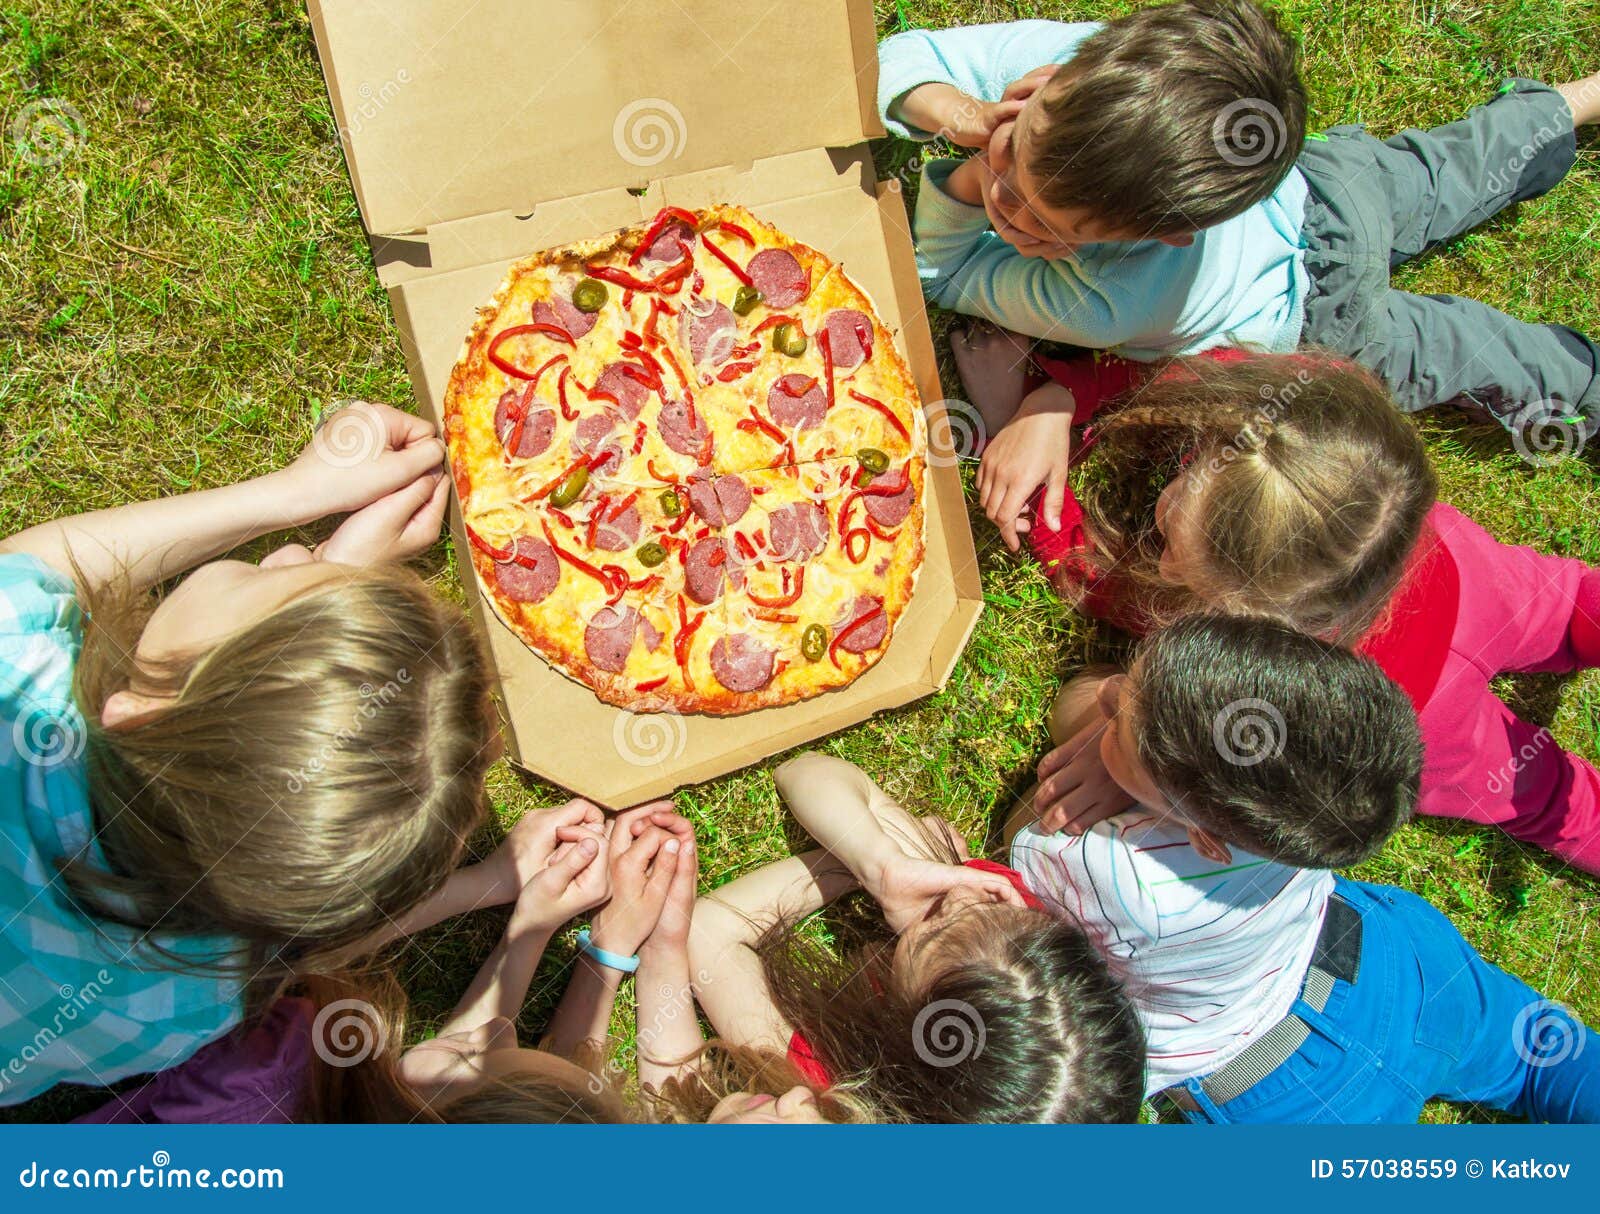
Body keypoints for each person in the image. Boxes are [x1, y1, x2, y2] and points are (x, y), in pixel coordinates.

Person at [0, 401, 527, 1106]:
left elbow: (33, 566)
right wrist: (332, 573)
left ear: (138, 718)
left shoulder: (16, 692)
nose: (283, 553)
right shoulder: (204, 1002)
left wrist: (287, 496)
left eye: (267, 578)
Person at [878, 1, 1600, 450]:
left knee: (1468, 353)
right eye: (1014, 140)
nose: (1006, 193)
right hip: (1338, 188)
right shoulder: (1105, 70)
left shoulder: (1114, 301)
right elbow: (893, 60)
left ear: (1161, 237)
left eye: (1037, 215)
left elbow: (946, 275)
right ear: (1050, 80)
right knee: (1449, 166)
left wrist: (970, 176)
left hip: (1328, 326)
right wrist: (968, 117)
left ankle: (1583, 384)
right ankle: (1574, 103)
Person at [1000, 349, 1600, 876]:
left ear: (1238, 620)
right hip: (1473, 575)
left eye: (1176, 555)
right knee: (1574, 604)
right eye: (1197, 473)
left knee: (1539, 792)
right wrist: (1059, 395)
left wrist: (1025, 469)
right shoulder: (1304, 420)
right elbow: (1182, 373)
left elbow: (1096, 578)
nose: (1166, 507)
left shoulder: (1254, 659)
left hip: (1428, 724)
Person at [1009, 614, 1600, 1123]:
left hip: (1294, 1103)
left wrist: (1087, 739)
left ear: (1207, 839)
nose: (1110, 695)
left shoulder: (1097, 865)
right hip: (1405, 966)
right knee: (1537, 1056)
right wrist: (1128, 757)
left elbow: (1022, 844)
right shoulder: (1305, 799)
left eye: (1119, 729)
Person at [688, 752, 1147, 1123]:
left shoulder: (826, 1083)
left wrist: (855, 870)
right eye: (1005, 910)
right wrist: (882, 866)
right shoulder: (992, 913)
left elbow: (705, 932)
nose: (960, 900)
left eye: (932, 934)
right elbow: (805, 772)